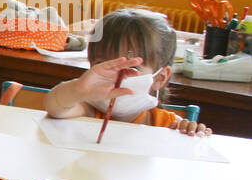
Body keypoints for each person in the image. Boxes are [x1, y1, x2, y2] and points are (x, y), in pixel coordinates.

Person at [44, 8, 213, 136]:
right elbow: (54, 107)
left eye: (132, 68)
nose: (116, 76)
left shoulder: (166, 124)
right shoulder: (87, 110)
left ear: (159, 78)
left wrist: (191, 132)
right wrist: (79, 89)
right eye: (104, 64)